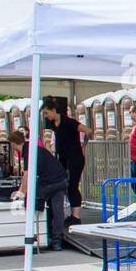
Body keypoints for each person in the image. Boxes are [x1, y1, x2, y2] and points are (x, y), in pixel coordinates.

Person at [8, 130, 67, 251]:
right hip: (61, 179)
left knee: (33, 204)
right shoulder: (33, 147)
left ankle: (39, 235)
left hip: (48, 182)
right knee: (58, 211)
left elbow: (27, 175)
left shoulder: (27, 151)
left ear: (13, 143)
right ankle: (56, 242)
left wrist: (21, 192)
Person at [42, 96, 91, 226]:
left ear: (53, 110)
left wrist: (83, 147)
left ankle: (76, 216)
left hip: (74, 157)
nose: (46, 116)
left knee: (72, 185)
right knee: (61, 183)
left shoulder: (69, 122)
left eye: (47, 113)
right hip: (63, 157)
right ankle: (60, 213)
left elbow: (87, 130)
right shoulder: (53, 124)